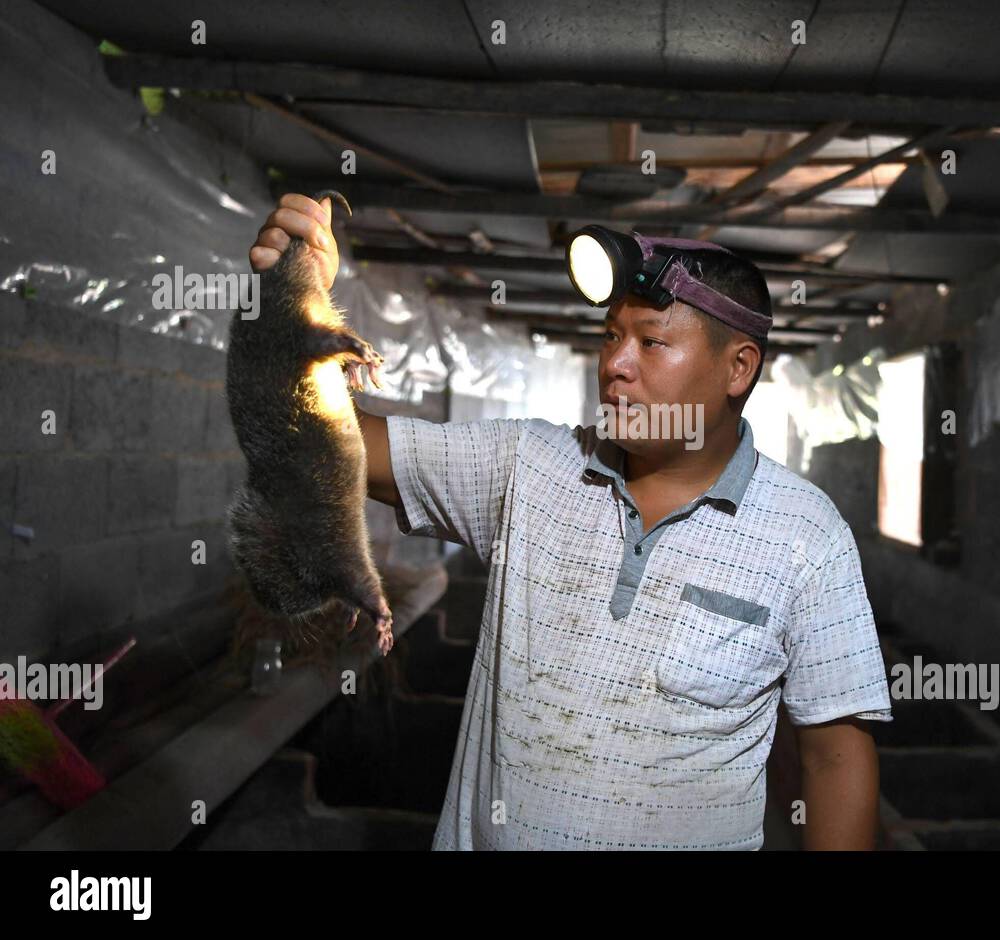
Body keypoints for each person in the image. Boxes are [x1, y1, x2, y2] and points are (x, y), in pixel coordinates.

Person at [250, 193, 893, 850]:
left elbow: (834, 757)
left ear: (738, 368)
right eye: (611, 335)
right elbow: (311, 443)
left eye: (652, 341)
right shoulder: (527, 465)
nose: (615, 363)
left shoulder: (806, 537)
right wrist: (292, 313)